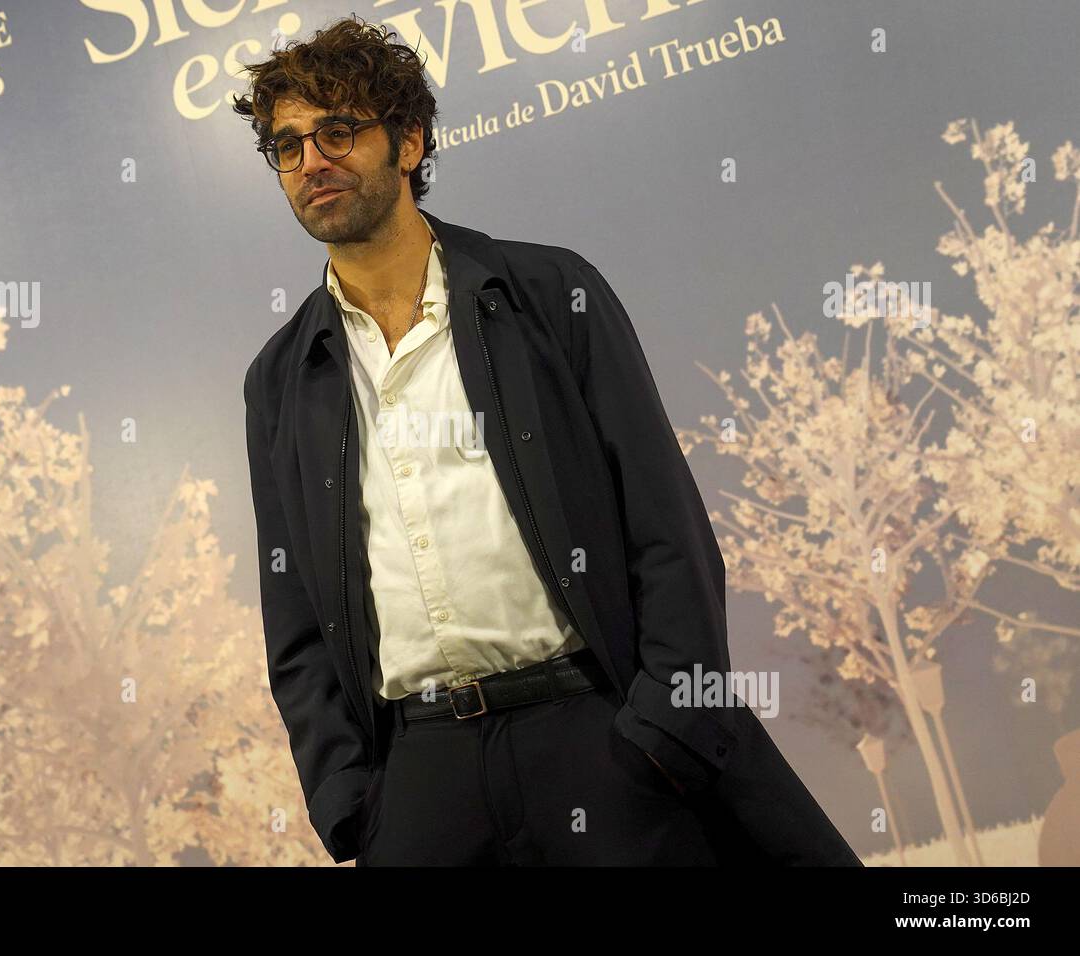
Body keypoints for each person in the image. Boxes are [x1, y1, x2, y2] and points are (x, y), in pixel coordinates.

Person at [234, 15, 861, 866]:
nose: (312, 162)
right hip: (420, 783)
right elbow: (295, 618)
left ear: (409, 140)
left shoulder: (547, 292)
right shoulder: (280, 378)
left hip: (598, 739)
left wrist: (664, 728)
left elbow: (665, 522)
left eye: (338, 131)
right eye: (287, 146)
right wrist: (348, 797)